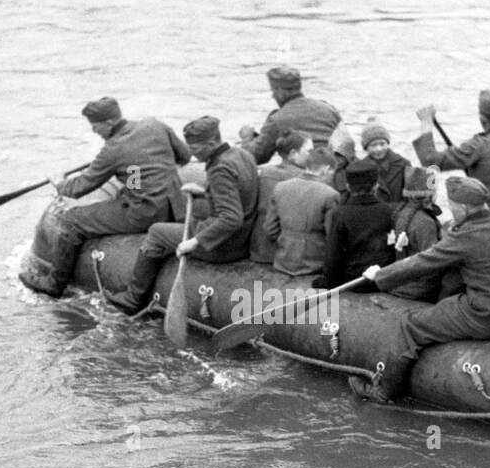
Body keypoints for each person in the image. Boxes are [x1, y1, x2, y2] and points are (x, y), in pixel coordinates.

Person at [349, 176, 490, 403]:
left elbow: (423, 262)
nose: (450, 211)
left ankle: (385, 392)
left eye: (452, 206)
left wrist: (379, 276)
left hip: (485, 316)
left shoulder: (464, 236)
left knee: (411, 325)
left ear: (463, 207)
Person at [20, 97, 190, 297]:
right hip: (175, 207)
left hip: (144, 213)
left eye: (95, 125)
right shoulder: (154, 125)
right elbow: (184, 156)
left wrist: (59, 184)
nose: (93, 131)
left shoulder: (113, 150)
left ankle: (54, 283)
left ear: (109, 122)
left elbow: (80, 187)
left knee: (70, 221)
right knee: (123, 192)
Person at [106, 117, 258, 314]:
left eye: (195, 147)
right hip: (243, 237)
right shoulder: (241, 154)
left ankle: (133, 298)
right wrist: (205, 193)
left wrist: (194, 241)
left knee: (156, 231)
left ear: (211, 143)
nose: (191, 152)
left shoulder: (220, 168)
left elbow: (231, 217)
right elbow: (240, 192)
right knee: (184, 218)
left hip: (226, 245)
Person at [411, 90, 490, 227]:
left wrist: (426, 122)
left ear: (482, 119)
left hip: (488, 225)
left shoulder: (478, 146)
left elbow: (430, 161)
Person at [315, 159, 393, 291]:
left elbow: (333, 255)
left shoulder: (341, 213)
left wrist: (330, 282)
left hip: (354, 280)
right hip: (382, 278)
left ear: (348, 186)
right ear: (376, 186)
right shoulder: (389, 210)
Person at [264, 147, 341, 277]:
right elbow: (332, 238)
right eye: (332, 172)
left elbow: (269, 229)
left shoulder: (280, 187)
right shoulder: (330, 195)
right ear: (327, 169)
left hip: (283, 261)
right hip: (315, 264)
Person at [248, 67, 342, 165]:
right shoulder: (329, 109)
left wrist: (247, 138)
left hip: (302, 174)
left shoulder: (277, 119)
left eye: (274, 91)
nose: (273, 96)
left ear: (281, 92)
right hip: (333, 171)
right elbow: (347, 146)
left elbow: (254, 157)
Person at [249, 131, 311, 264]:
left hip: (258, 246)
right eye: (309, 151)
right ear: (293, 154)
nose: (312, 156)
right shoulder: (303, 179)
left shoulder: (266, 172)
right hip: (282, 251)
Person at [385, 168, 443, 302]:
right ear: (430, 194)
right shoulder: (425, 222)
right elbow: (432, 262)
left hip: (401, 279)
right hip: (419, 288)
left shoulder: (400, 211)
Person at [360, 122, 411, 204]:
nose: (379, 149)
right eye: (373, 145)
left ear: (388, 144)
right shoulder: (360, 168)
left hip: (399, 212)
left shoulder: (403, 164)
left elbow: (412, 195)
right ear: (366, 148)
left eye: (382, 144)